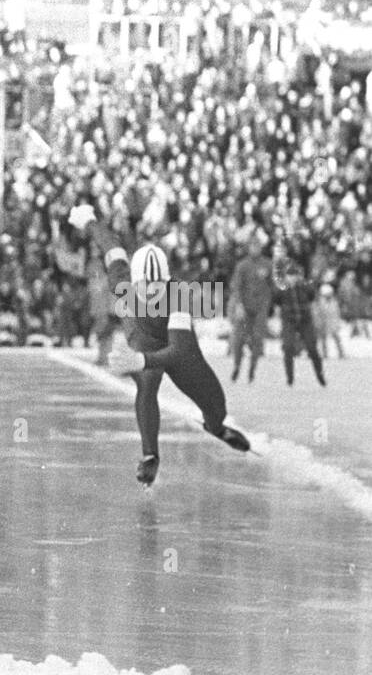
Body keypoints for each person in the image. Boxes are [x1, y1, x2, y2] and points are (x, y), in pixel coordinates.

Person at [69, 204, 250, 487]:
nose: (153, 293)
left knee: (216, 407)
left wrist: (141, 361)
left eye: (159, 288)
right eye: (146, 288)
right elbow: (110, 244)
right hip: (143, 339)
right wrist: (89, 220)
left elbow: (177, 352)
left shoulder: (179, 296)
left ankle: (215, 427)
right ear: (133, 283)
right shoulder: (121, 282)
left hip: (175, 344)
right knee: (147, 382)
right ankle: (150, 455)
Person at [272, 231, 326, 387]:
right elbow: (275, 300)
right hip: (289, 319)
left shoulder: (304, 286)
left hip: (305, 319)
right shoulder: (282, 288)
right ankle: (290, 378)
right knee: (288, 347)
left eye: (295, 275)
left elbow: (311, 296)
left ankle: (320, 375)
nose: (292, 278)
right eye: (290, 275)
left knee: (312, 348)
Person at [227, 232, 272, 383]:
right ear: (249, 248)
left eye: (258, 246)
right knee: (239, 339)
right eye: (253, 246)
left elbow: (273, 285)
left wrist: (271, 303)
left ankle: (252, 369)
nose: (255, 249)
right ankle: (237, 366)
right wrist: (238, 305)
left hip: (260, 308)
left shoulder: (267, 264)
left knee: (257, 340)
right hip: (244, 307)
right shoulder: (242, 265)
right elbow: (236, 287)